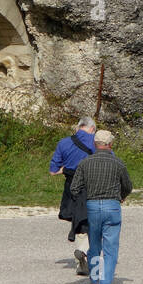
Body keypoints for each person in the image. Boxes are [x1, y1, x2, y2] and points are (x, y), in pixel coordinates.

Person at [70, 128, 133, 284]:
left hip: (92, 207)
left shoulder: (85, 163)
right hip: (112, 206)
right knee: (110, 248)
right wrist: (121, 197)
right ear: (110, 144)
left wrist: (86, 198)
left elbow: (74, 188)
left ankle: (94, 281)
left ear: (95, 144)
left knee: (94, 245)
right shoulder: (118, 163)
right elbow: (128, 186)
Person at [50, 116, 96, 275]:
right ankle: (84, 251)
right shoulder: (96, 142)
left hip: (71, 187)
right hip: (92, 186)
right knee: (95, 221)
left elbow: (53, 170)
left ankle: (81, 263)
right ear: (92, 129)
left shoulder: (63, 143)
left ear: (78, 127)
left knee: (79, 223)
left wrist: (64, 169)